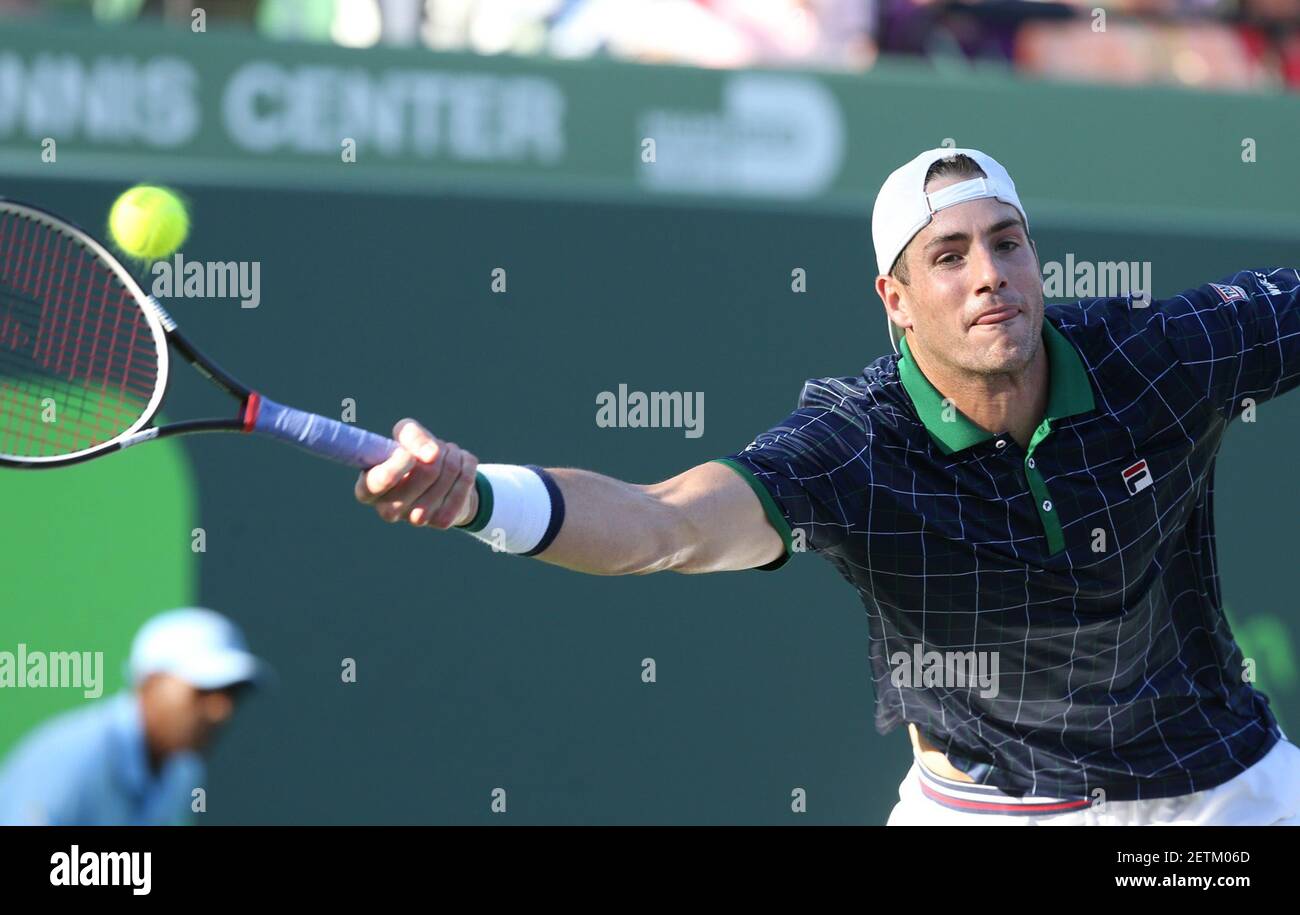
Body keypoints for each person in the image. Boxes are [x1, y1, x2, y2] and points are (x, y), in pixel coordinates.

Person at [352, 147, 1300, 825]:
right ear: (895, 301)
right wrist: (480, 498)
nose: (989, 275)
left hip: (1218, 796)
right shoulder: (854, 442)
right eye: (948, 255)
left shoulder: (1158, 355)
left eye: (1007, 242)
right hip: (988, 804)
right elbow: (662, 524)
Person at [0, 607, 267, 826]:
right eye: (202, 690)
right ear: (149, 683)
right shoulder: (74, 757)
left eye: (231, 694)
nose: (221, 711)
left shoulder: (183, 768)